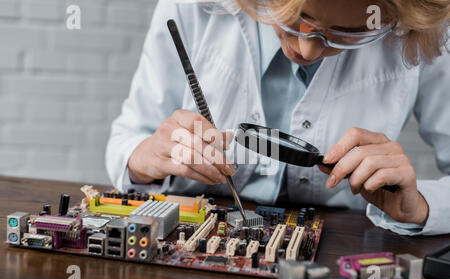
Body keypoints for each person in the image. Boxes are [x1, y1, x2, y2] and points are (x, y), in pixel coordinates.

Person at [105, 0, 450, 235]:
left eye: (350, 32)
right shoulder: (192, 6)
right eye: (298, 19)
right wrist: (145, 156)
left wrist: (419, 206)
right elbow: (127, 143)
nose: (307, 51)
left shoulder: (424, 27)